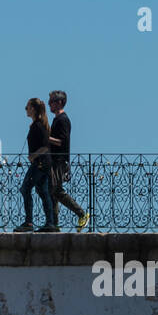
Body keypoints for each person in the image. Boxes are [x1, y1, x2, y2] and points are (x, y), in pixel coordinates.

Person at [47, 90, 90, 230]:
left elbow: (62, 142)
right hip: (54, 161)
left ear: (59, 102)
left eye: (52, 101)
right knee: (51, 192)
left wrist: (45, 138)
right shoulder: (56, 119)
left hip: (60, 161)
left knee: (56, 190)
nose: (49, 104)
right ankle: (54, 225)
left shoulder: (63, 120)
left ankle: (81, 214)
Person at [15, 98, 58, 232]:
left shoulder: (38, 126)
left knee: (25, 188)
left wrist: (33, 155)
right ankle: (50, 223)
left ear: (33, 109)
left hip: (40, 163)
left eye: (27, 107)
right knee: (42, 191)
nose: (25, 109)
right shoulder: (38, 125)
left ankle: (29, 223)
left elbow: (45, 146)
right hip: (43, 163)